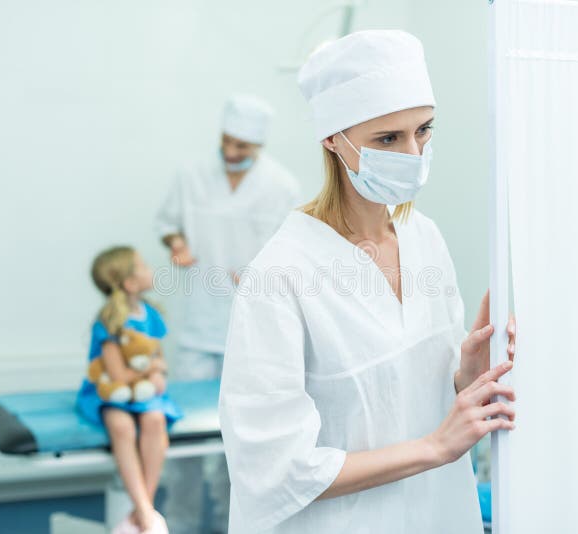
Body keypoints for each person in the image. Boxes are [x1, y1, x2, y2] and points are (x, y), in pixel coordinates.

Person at [219, 30, 517, 533]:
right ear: (333, 139)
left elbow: (408, 399)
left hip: (436, 515)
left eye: (422, 130)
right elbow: (274, 469)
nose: (412, 152)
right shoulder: (281, 275)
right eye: (387, 138)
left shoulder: (424, 239)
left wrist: (466, 376)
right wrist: (434, 448)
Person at [155, 94, 300, 533]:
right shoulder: (191, 174)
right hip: (199, 322)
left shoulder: (282, 185)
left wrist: (263, 274)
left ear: (259, 146)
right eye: (227, 142)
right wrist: (176, 245)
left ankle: (230, 524)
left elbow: (289, 250)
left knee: (240, 442)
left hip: (250, 329)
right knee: (182, 441)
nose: (232, 153)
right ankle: (177, 522)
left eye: (243, 147)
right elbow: (168, 224)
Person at [76, 246, 181, 534]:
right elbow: (120, 375)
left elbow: (159, 359)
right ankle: (147, 514)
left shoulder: (150, 314)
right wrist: (153, 370)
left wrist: (159, 373)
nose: (150, 269)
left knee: (155, 420)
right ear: (129, 283)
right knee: (121, 426)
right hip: (114, 392)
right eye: (143, 265)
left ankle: (141, 508)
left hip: (144, 393)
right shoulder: (109, 321)